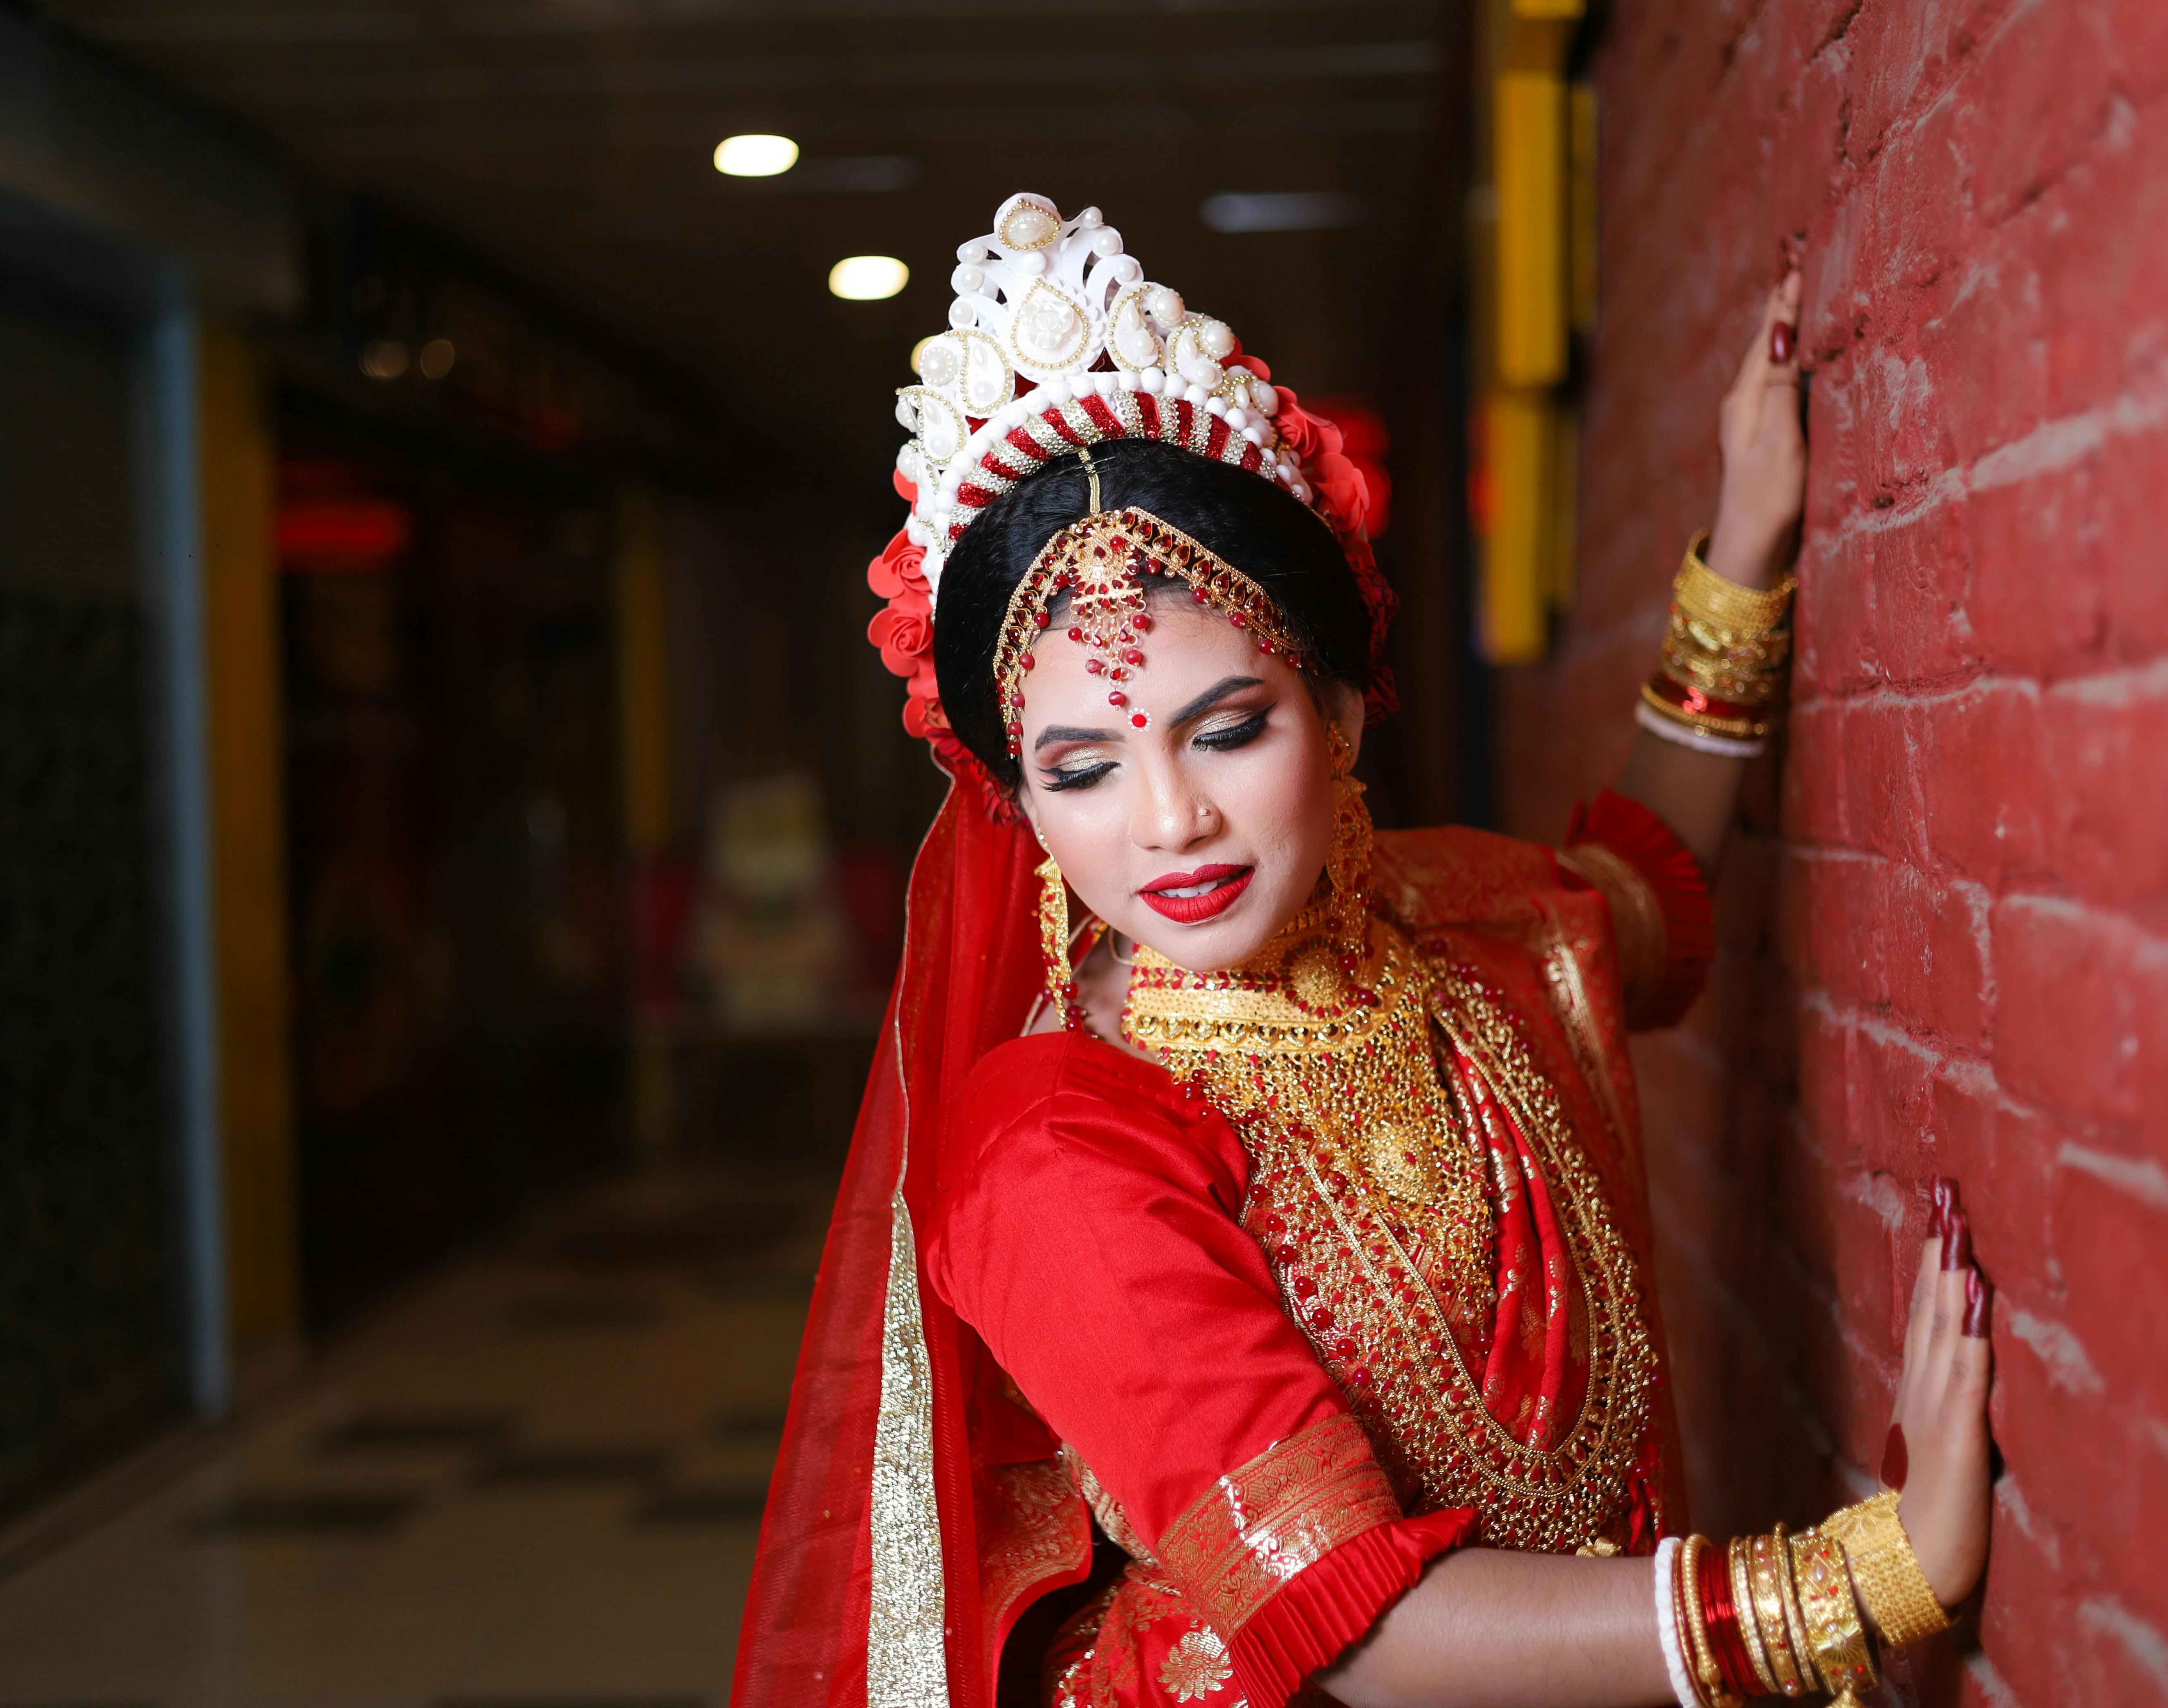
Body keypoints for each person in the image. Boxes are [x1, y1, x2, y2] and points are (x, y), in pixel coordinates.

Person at [735, 192, 1993, 1708]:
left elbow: (1641, 900)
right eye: (1082, 769)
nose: (1172, 822)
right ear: (1018, 800)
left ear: (1336, 710)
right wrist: (1863, 1580)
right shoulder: (1057, 1146)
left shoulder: (1454, 925)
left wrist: (1746, 548)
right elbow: (1357, 1632)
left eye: (1228, 729)